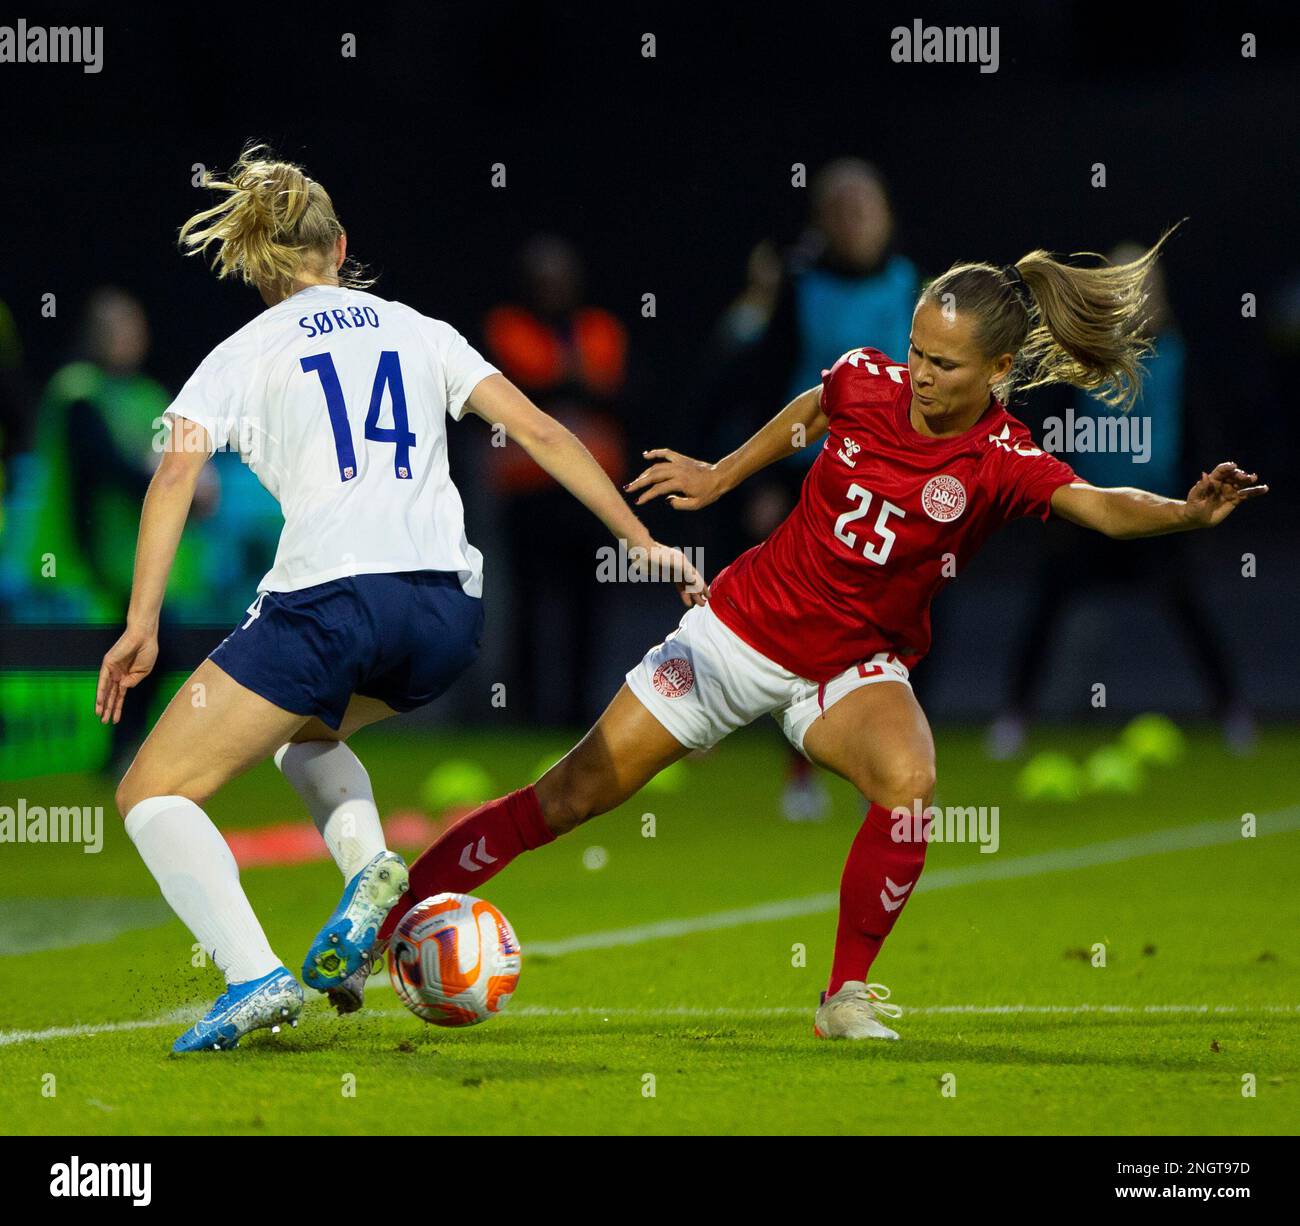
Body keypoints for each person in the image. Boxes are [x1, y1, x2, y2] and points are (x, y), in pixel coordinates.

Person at [345, 232, 1267, 1040]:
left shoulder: (1000, 459)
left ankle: (845, 994)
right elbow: (812, 411)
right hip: (734, 638)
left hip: (850, 669)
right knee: (567, 799)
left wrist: (1185, 513)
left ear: (996, 373)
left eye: (945, 364)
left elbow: (1099, 507)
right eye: (918, 350)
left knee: (909, 783)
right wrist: (718, 475)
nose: (921, 373)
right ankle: (379, 931)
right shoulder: (868, 379)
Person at [95, 145, 703, 1053]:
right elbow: (540, 427)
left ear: (258, 270)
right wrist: (641, 541)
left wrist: (141, 621)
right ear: (340, 247)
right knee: (309, 738)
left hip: (330, 603)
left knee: (152, 790)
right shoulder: (420, 328)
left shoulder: (240, 353)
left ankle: (251, 976)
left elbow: (174, 473)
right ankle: (372, 867)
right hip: (445, 613)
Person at [987, 244, 1252, 756]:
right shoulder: (1076, 358)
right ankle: (1014, 718)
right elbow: (1050, 435)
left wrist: (1193, 506)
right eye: (1120, 286)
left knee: (1189, 609)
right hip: (1090, 516)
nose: (1134, 297)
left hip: (1161, 517)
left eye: (1143, 285)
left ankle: (1233, 712)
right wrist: (1057, 504)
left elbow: (1200, 434)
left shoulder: (1179, 358)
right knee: (1046, 605)